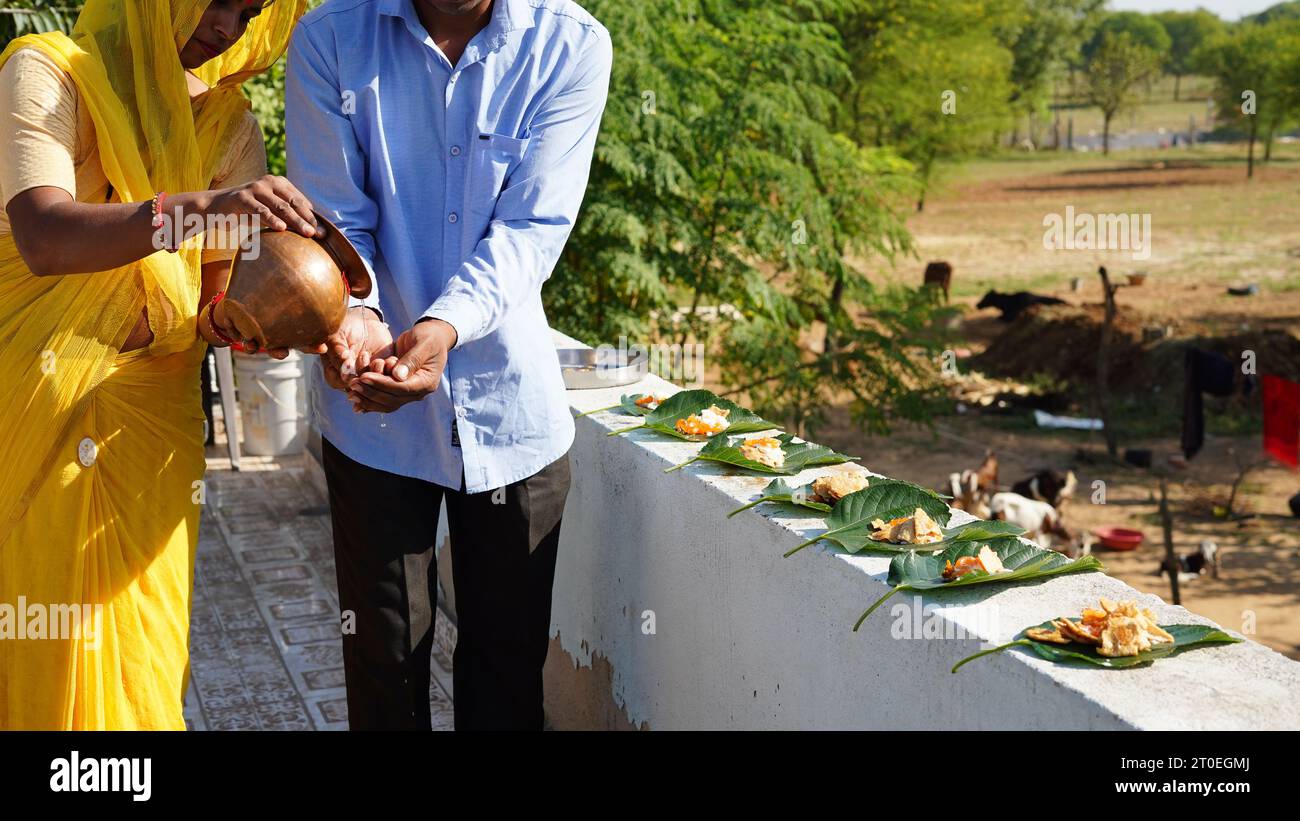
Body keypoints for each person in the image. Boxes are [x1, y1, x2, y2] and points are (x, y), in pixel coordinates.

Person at [285, 0, 611, 730]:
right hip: (370, 411)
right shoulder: (329, 37)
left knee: (506, 667)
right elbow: (334, 217)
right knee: (384, 661)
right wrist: (361, 321)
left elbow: (532, 227)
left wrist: (444, 325)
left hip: (510, 410)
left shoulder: (570, 44)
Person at [0, 0, 316, 730]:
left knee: (141, 650)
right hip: (37, 400)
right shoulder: (48, 71)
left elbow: (217, 295)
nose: (228, 28)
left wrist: (257, 320)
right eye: (218, 2)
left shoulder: (227, 126)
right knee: (39, 641)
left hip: (155, 429)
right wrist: (198, 211)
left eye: (251, 12)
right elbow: (44, 236)